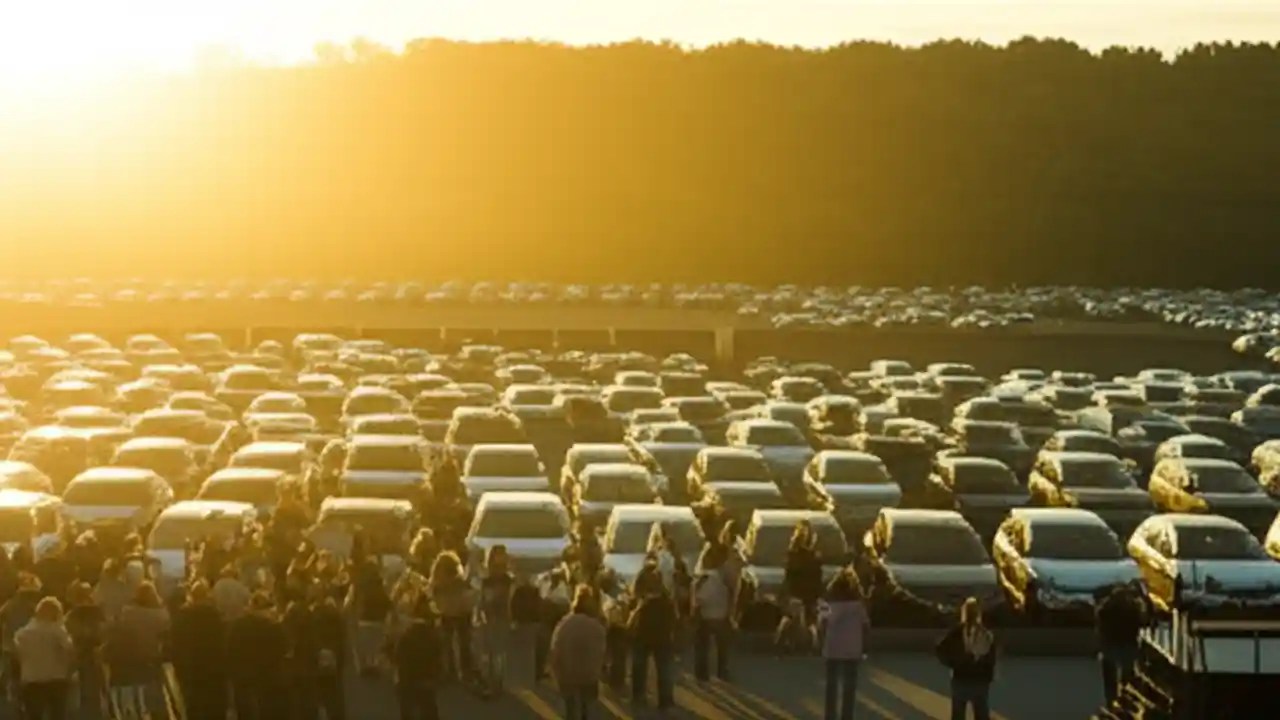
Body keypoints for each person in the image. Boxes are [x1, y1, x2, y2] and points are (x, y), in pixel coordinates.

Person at [107, 581, 172, 720]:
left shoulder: (127, 613)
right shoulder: (161, 615)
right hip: (152, 658)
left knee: (134, 695)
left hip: (131, 659)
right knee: (155, 694)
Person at [171, 580, 227, 720]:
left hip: (191, 668)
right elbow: (222, 640)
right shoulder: (215, 614)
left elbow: (176, 642)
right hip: (214, 668)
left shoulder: (183, 615)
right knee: (215, 707)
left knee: (194, 706)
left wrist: (179, 667)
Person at [550, 584, 607, 720]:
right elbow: (602, 652)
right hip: (589, 676)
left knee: (570, 707)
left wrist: (557, 671)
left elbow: (555, 648)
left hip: (567, 674)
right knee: (588, 706)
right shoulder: (596, 626)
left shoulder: (564, 624)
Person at [227, 591, 287, 720]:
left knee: (246, 713)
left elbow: (230, 652)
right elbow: (282, 650)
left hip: (243, 680)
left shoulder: (237, 626)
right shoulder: (273, 627)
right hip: (268, 681)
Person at [820, 570, 870, 720]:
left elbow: (823, 623)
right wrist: (865, 646)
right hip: (852, 649)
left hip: (833, 647)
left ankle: (830, 715)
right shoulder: (859, 606)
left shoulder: (830, 605)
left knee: (831, 684)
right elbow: (866, 625)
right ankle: (847, 716)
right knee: (850, 685)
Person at [936, 597, 997, 720]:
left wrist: (952, 663)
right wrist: (988, 676)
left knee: (958, 715)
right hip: (979, 681)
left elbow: (940, 649)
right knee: (981, 714)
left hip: (960, 679)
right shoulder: (985, 634)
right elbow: (991, 658)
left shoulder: (956, 633)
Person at [14, 596, 73, 720]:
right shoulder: (57, 631)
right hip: (56, 680)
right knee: (58, 716)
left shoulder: (22, 634)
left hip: (32, 681)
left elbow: (17, 657)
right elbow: (69, 651)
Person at [627, 569, 676, 711]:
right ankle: (666, 700)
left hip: (641, 636)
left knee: (639, 667)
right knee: (664, 668)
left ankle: (638, 696)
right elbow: (673, 619)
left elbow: (632, 621)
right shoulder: (666, 601)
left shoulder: (641, 602)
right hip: (662, 637)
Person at [1096, 582, 1148, 704]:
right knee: (1127, 674)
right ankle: (1125, 698)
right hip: (1127, 644)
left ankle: (1112, 699)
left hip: (1111, 644)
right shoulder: (1133, 607)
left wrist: (1101, 643)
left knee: (1110, 675)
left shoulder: (1105, 608)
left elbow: (1100, 627)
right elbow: (1142, 622)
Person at [428, 550, 475, 683]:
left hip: (450, 614)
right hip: (459, 613)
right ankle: (462, 671)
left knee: (450, 643)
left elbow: (433, 598)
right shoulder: (458, 581)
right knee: (460, 643)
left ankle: (452, 671)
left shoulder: (440, 582)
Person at [393, 596, 441, 720]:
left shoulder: (405, 636)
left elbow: (397, 656)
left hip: (408, 680)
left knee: (408, 711)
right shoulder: (433, 636)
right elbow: (438, 656)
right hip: (427, 679)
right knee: (429, 710)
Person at [64, 581, 107, 720]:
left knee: (82, 694)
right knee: (98, 691)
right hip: (98, 657)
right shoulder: (99, 613)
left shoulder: (71, 616)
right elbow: (104, 633)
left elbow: (68, 637)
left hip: (79, 658)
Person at [691, 544, 733, 682]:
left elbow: (700, 599)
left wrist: (694, 610)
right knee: (722, 647)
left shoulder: (705, 579)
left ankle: (702, 673)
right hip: (721, 615)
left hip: (706, 616)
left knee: (702, 646)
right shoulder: (724, 577)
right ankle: (722, 671)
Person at [781, 520, 823, 651]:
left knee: (790, 617)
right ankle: (813, 645)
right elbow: (817, 577)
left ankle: (782, 642)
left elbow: (788, 576)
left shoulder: (792, 555)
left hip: (796, 591)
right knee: (810, 620)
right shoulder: (814, 557)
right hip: (809, 592)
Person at [2, 572, 43, 706]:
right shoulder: (38, 607)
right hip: (33, 648)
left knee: (16, 676)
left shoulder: (10, 605)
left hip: (13, 647)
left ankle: (16, 701)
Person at [478, 545, 514, 693]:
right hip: (491, 617)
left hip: (502, 617)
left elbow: (510, 600)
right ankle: (493, 682)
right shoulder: (488, 580)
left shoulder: (508, 581)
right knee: (492, 652)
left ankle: (496, 683)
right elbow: (483, 600)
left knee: (498, 652)